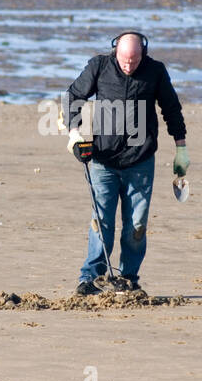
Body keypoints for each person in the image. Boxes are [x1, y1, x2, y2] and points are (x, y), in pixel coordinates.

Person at [63, 31, 188, 296]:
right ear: (114, 52)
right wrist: (75, 135)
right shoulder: (99, 66)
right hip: (102, 161)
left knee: (137, 225)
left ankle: (128, 278)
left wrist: (181, 149)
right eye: (123, 60)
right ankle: (91, 278)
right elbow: (73, 96)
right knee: (101, 221)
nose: (129, 66)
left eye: (134, 60)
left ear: (143, 53)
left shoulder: (155, 71)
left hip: (140, 162)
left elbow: (171, 108)